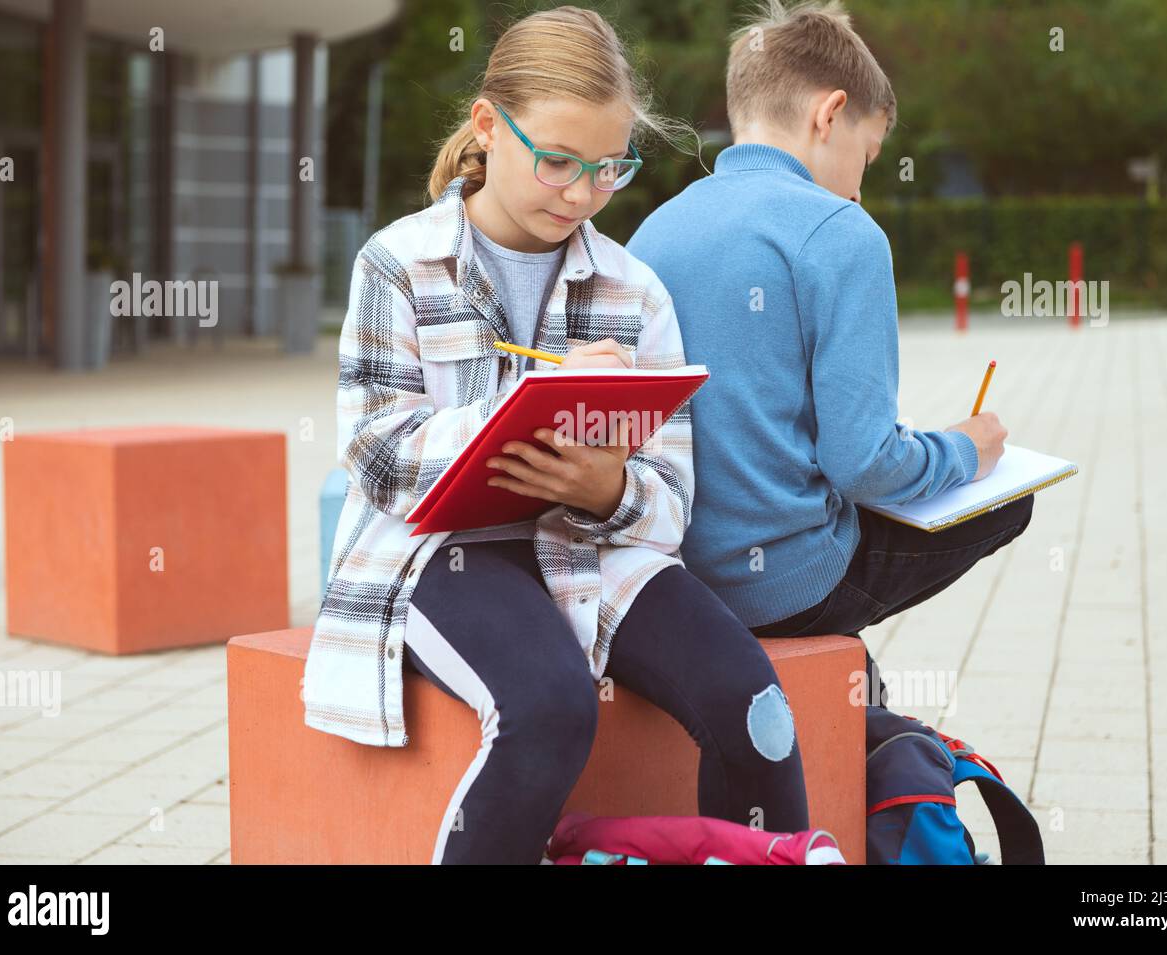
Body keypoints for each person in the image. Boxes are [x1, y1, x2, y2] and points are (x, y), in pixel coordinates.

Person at [302, 5, 810, 865]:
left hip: (592, 544)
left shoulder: (635, 289)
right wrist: (529, 403)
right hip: (440, 552)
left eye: (609, 168)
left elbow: (671, 500)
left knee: (756, 708)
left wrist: (607, 489)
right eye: (559, 163)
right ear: (488, 129)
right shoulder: (398, 264)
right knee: (549, 707)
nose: (581, 194)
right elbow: (380, 457)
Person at [625, 0, 1033, 704]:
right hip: (789, 589)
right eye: (867, 157)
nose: (860, 185)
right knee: (1010, 503)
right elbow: (863, 463)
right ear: (830, 112)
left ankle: (855, 706)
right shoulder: (844, 232)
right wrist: (965, 448)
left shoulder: (652, 232)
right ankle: (856, 727)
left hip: (673, 582)